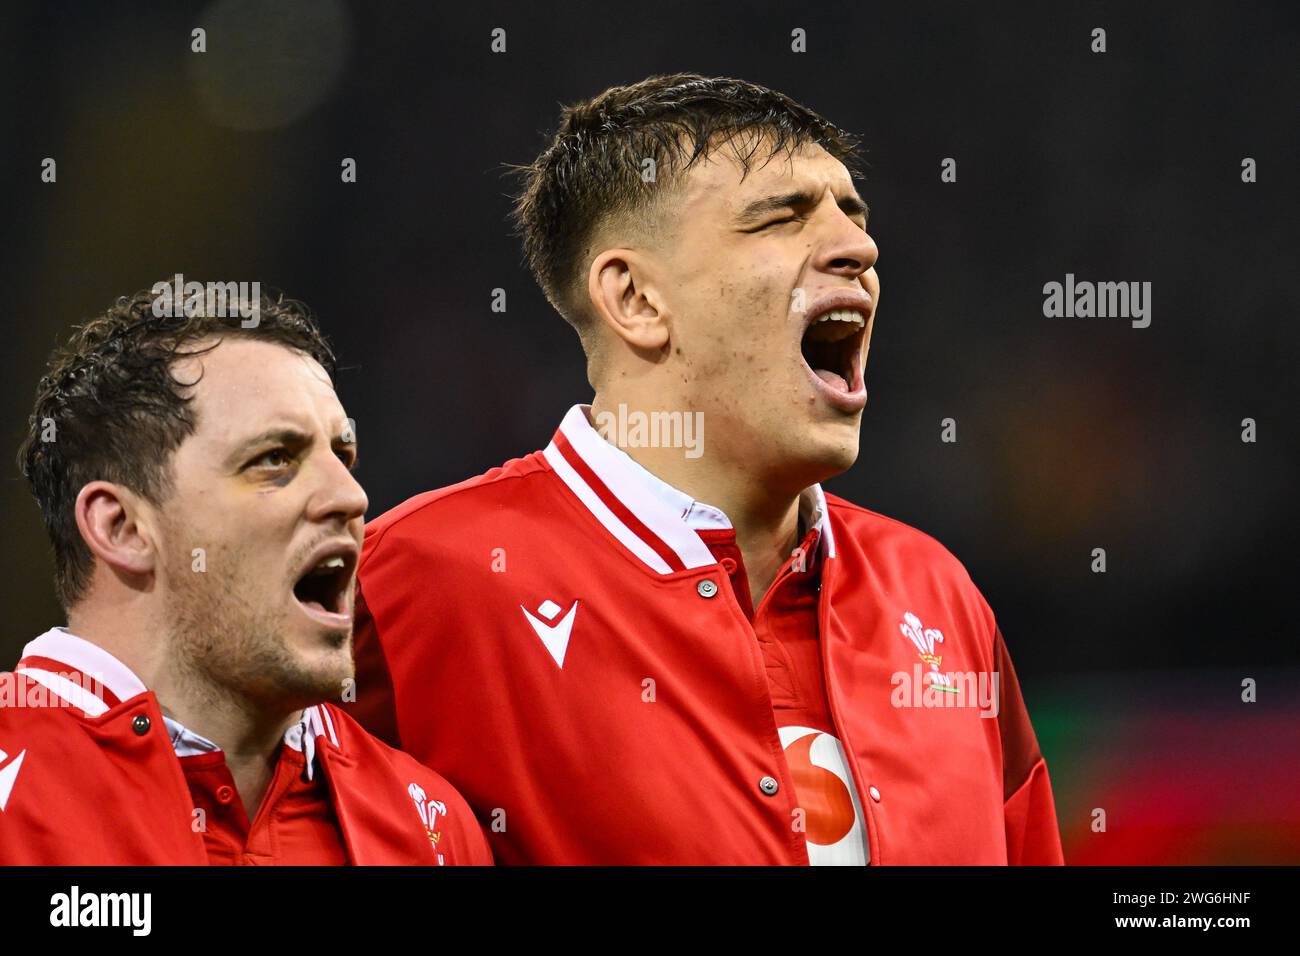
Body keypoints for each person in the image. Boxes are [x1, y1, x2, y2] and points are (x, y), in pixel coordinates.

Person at [347, 74, 1065, 864]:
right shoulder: (419, 584)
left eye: (852, 215)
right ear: (637, 299)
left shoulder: (936, 595)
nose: (859, 249)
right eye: (782, 218)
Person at [1, 286, 491, 865]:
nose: (350, 497)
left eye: (343, 456)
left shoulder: (426, 826)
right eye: (275, 459)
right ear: (123, 528)